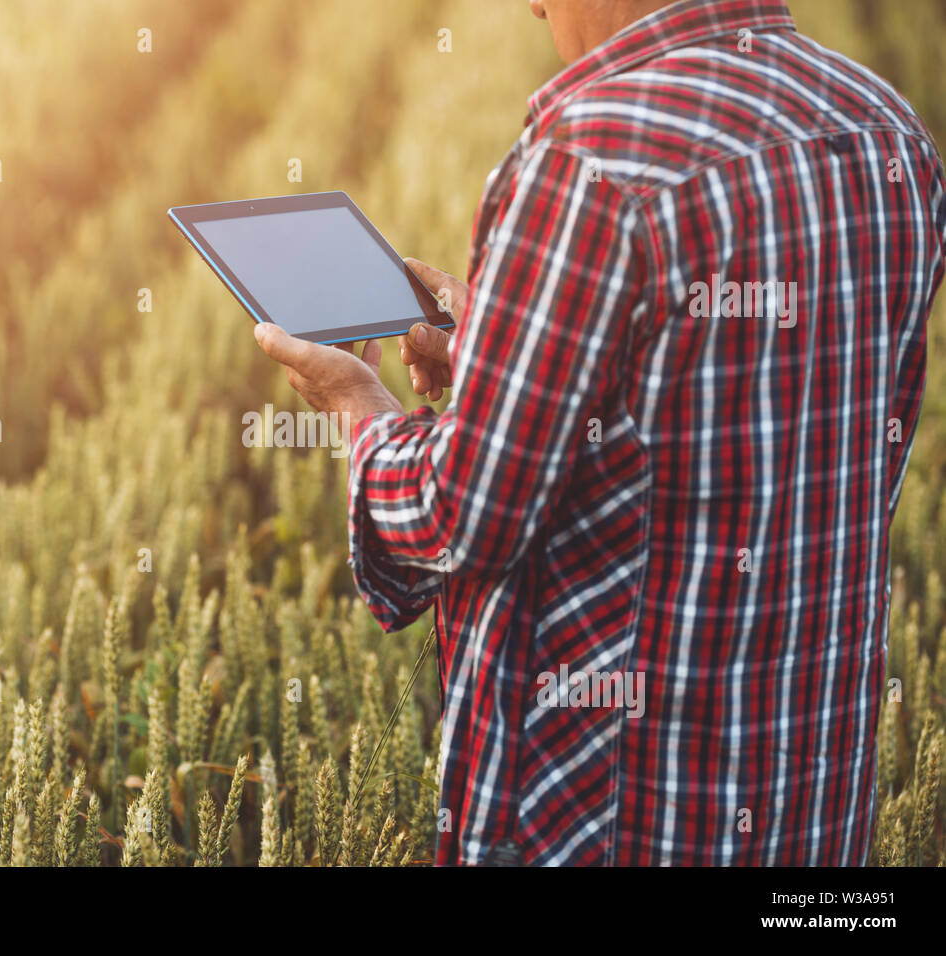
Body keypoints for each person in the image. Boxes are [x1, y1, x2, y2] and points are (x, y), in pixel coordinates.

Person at [253, 0, 946, 865]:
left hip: (615, 814)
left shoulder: (591, 160)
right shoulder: (887, 133)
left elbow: (463, 513)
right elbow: (759, 408)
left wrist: (361, 407)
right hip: (810, 813)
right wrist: (507, 349)